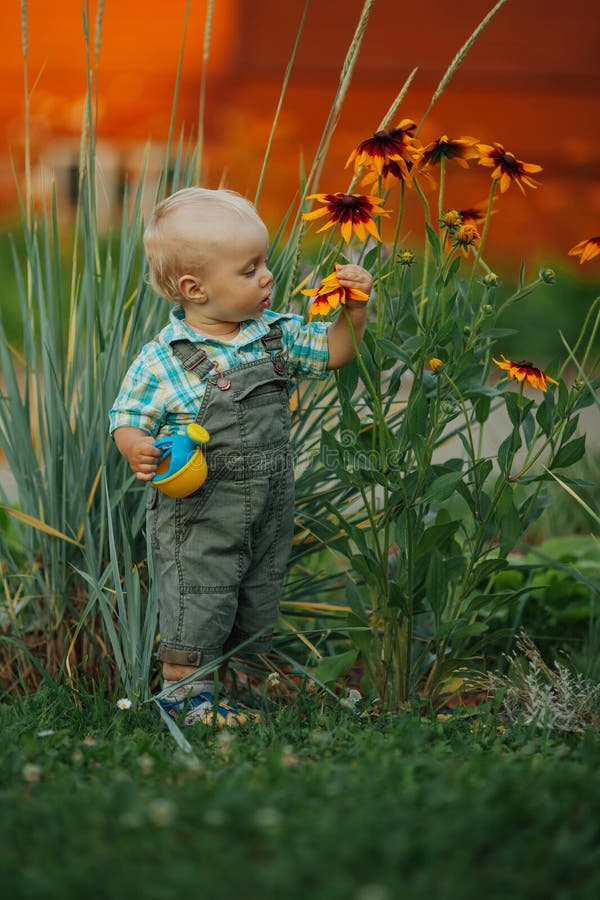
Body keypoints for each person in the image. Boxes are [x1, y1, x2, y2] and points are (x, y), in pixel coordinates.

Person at [109, 187, 372, 727]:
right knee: (200, 591)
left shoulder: (275, 335)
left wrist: (356, 311)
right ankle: (184, 695)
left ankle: (236, 683)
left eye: (264, 263)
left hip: (268, 504)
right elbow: (128, 415)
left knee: (256, 590)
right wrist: (136, 446)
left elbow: (336, 352)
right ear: (194, 289)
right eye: (249, 270)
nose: (267, 277)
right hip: (199, 510)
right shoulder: (166, 358)